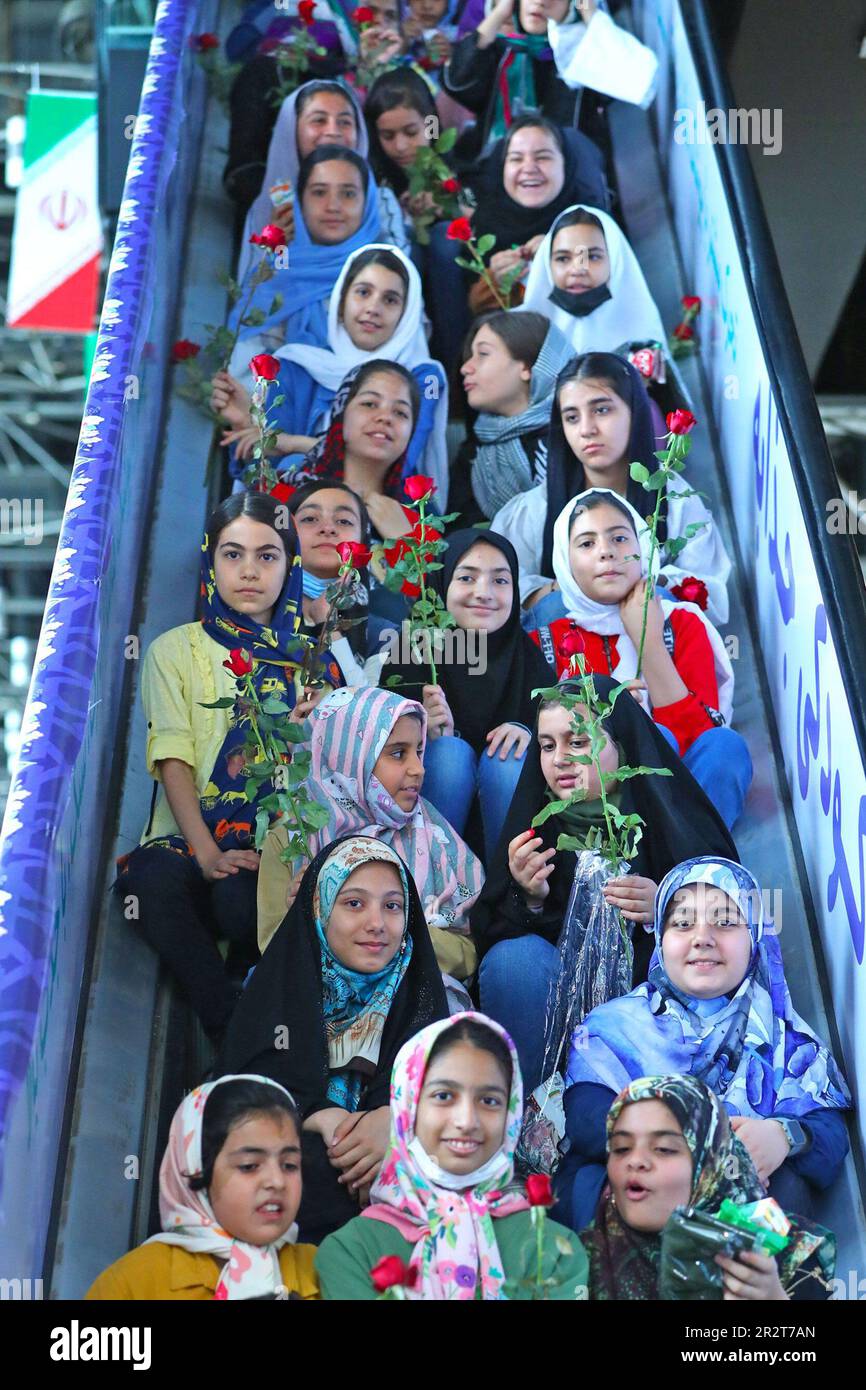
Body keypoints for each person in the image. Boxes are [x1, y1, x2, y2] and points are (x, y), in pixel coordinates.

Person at [116, 493, 336, 1041]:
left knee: (243, 903)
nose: (248, 571)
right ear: (211, 563)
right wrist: (209, 853)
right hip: (191, 841)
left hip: (277, 847)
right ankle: (231, 1023)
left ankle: (254, 1004)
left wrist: (319, 724)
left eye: (268, 556)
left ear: (290, 567)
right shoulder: (175, 650)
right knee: (145, 886)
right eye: (232, 554)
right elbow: (173, 759)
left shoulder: (314, 661)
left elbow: (334, 775)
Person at [470, 675, 738, 1093]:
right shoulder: (536, 825)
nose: (559, 759)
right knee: (514, 960)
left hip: (658, 1032)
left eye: (578, 743)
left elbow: (738, 927)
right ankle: (535, 1118)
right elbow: (488, 935)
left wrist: (670, 908)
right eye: (546, 745)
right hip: (560, 1026)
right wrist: (531, 899)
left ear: (623, 746)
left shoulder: (668, 813)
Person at [560, 858, 851, 1230]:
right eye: (682, 923)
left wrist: (783, 1136)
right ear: (661, 941)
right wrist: (690, 1148)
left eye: (725, 922)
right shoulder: (617, 1025)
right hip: (637, 1216)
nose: (703, 937)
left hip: (735, 1232)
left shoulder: (786, 1042)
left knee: (789, 1187)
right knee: (590, 1178)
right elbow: (586, 1116)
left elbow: (829, 1133)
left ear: (755, 936)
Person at [215, 836, 450, 1243]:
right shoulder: (280, 987)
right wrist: (319, 1115)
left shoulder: (420, 997)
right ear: (320, 908)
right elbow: (241, 1095)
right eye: (354, 903)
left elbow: (452, 1108)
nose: (376, 923)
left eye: (393, 906)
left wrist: (393, 1121)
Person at [316, 1013, 589, 1299]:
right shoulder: (353, 1252)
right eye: (444, 1096)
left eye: (489, 1101)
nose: (466, 1120)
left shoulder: (554, 1251)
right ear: (407, 1107)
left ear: (511, 1116)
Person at [536, 488, 751, 828]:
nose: (606, 552)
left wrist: (648, 641)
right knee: (650, 739)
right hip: (595, 815)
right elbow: (551, 753)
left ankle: (694, 871)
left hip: (684, 805)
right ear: (565, 561)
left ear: (642, 547)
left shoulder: (683, 623)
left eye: (620, 538)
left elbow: (699, 737)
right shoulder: (548, 642)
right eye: (587, 544)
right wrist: (617, 720)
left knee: (724, 747)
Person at [256, 686, 485, 982]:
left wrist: (394, 925)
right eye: (398, 753)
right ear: (347, 756)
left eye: (418, 751)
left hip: (412, 997)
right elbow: (272, 953)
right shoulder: (291, 841)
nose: (418, 769)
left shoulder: (432, 832)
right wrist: (305, 917)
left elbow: (466, 955)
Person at [494, 353, 730, 627]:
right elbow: (499, 587)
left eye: (602, 410)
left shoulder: (674, 500)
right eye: (571, 417)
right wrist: (567, 589)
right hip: (568, 662)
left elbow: (710, 593)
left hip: (654, 657)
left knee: (661, 600)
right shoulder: (537, 508)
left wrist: (647, 582)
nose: (586, 429)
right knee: (553, 609)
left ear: (635, 410)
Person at [213, 245, 448, 493]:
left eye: (390, 300)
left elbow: (398, 467)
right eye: (363, 292)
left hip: (381, 511)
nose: (373, 308)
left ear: (407, 314)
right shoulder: (296, 365)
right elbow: (267, 474)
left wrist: (297, 444)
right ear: (340, 301)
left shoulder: (423, 378)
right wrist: (247, 425)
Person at [579, 1075, 836, 1301]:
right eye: (622, 1147)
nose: (635, 1161)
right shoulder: (584, 1233)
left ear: (709, 1164)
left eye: (664, 1149)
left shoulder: (775, 1253)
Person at [380, 529, 555, 855]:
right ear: (441, 584)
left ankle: (506, 898)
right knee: (449, 756)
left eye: (500, 581)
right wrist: (418, 735)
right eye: (466, 578)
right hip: (427, 823)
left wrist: (532, 735)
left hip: (506, 833)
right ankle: (433, 895)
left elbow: (558, 740)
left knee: (509, 757)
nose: (484, 592)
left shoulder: (530, 661)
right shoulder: (412, 654)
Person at [86, 1076, 318, 1300]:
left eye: (289, 1165)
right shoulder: (134, 1282)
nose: (276, 1181)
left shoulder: (322, 1268)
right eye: (249, 1166)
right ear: (196, 1169)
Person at [427, 115, 607, 370]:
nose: (529, 167)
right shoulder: (486, 224)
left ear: (565, 164)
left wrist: (561, 252)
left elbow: (603, 296)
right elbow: (471, 322)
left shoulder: (590, 223)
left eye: (543, 157)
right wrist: (492, 285)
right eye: (516, 158)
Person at [235, 79, 408, 284]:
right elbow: (258, 298)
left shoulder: (379, 204)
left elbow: (397, 288)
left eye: (344, 122)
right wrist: (278, 245)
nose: (333, 131)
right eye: (319, 120)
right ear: (292, 129)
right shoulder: (273, 209)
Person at [228, 146, 385, 365]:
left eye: (348, 194)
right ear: (300, 203)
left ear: (367, 203)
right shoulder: (273, 276)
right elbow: (243, 367)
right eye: (319, 192)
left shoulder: (389, 277)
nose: (333, 206)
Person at [442, 1, 612, 163]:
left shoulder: (581, 59)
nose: (539, 2)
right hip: (498, 173)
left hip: (570, 177)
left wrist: (589, 14)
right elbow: (457, 82)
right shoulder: (500, 53)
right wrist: (500, 12)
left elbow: (615, 83)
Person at [287, 360, 425, 549]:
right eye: (369, 404)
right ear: (340, 413)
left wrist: (405, 541)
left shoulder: (422, 520)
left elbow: (433, 578)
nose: (385, 417)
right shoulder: (289, 494)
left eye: (400, 413)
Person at [451, 310, 573, 523]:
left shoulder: (576, 437)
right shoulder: (473, 454)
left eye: (483, 354)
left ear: (527, 366)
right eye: (470, 356)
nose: (465, 368)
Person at [521, 205, 665, 355]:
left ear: (616, 262)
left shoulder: (645, 348)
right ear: (546, 264)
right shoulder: (515, 339)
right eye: (563, 258)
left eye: (592, 257)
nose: (578, 270)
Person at [286, 480, 373, 681]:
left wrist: (326, 621)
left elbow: (364, 706)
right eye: (309, 519)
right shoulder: (259, 614)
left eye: (343, 521)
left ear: (363, 539)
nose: (327, 528)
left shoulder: (381, 634)